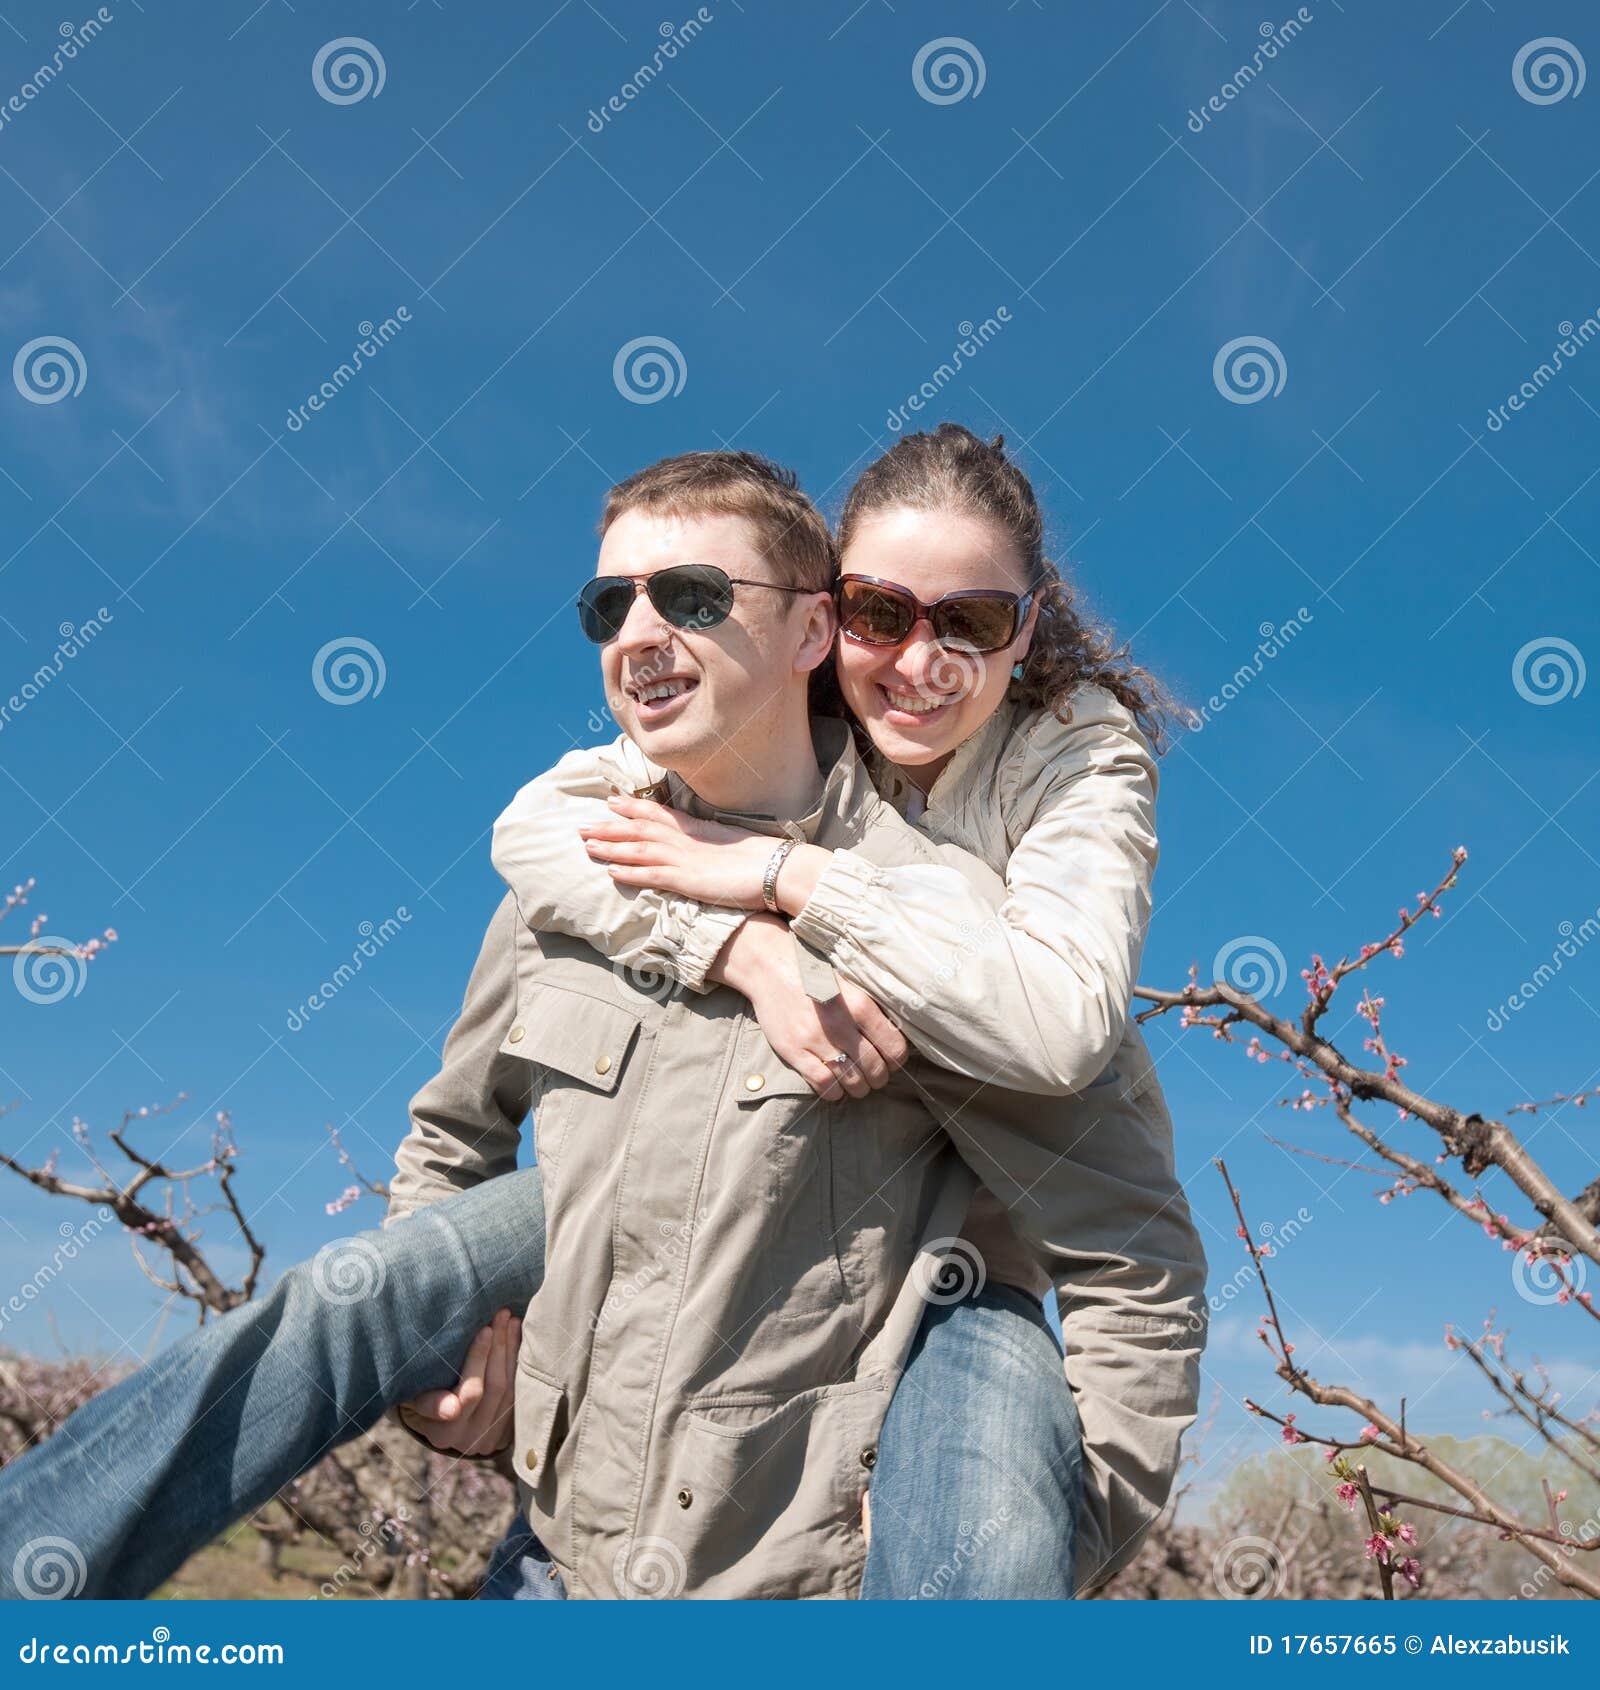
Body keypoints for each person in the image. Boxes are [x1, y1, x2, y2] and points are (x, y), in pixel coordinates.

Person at [0, 442, 1202, 1601]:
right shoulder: (583, 857)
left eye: (689, 595)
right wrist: (458, 1365)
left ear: (805, 629)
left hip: (799, 1558)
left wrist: (1049, 1533)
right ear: (847, 620)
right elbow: (454, 1131)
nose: (638, 634)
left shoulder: (950, 920)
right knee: (356, 1289)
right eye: (608, 604)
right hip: (565, 1553)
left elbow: (1105, 1173)